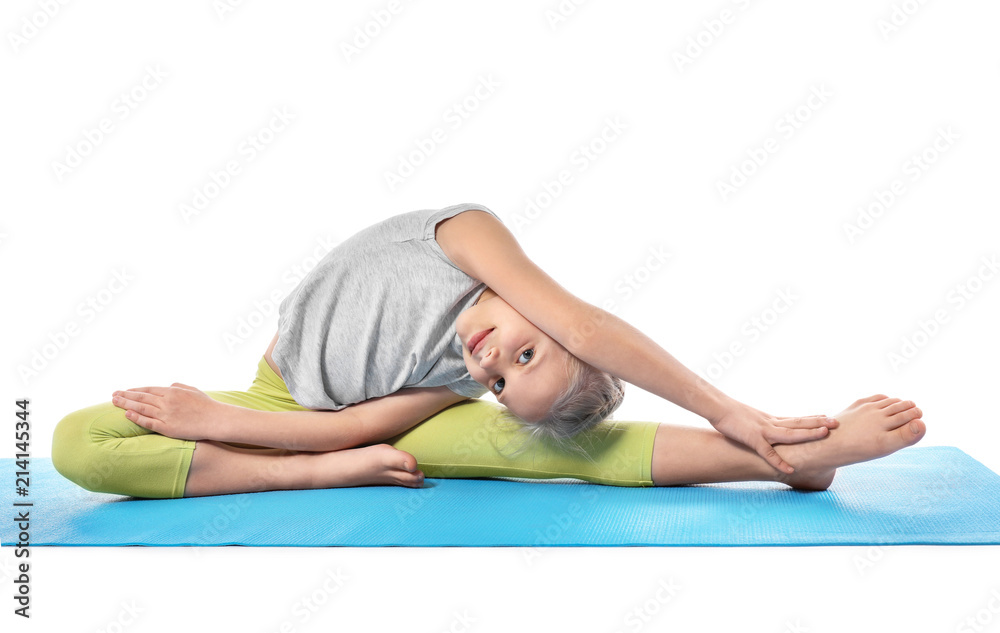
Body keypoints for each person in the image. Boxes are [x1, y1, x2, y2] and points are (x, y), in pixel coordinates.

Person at [51, 203, 926, 499]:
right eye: (524, 357)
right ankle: (761, 437)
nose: (488, 366)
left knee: (549, 447)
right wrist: (724, 403)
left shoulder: (448, 379)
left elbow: (345, 427)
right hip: (275, 403)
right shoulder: (467, 237)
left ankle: (797, 458)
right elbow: (587, 330)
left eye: (501, 379)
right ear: (550, 320)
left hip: (329, 432)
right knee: (73, 443)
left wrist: (323, 458)